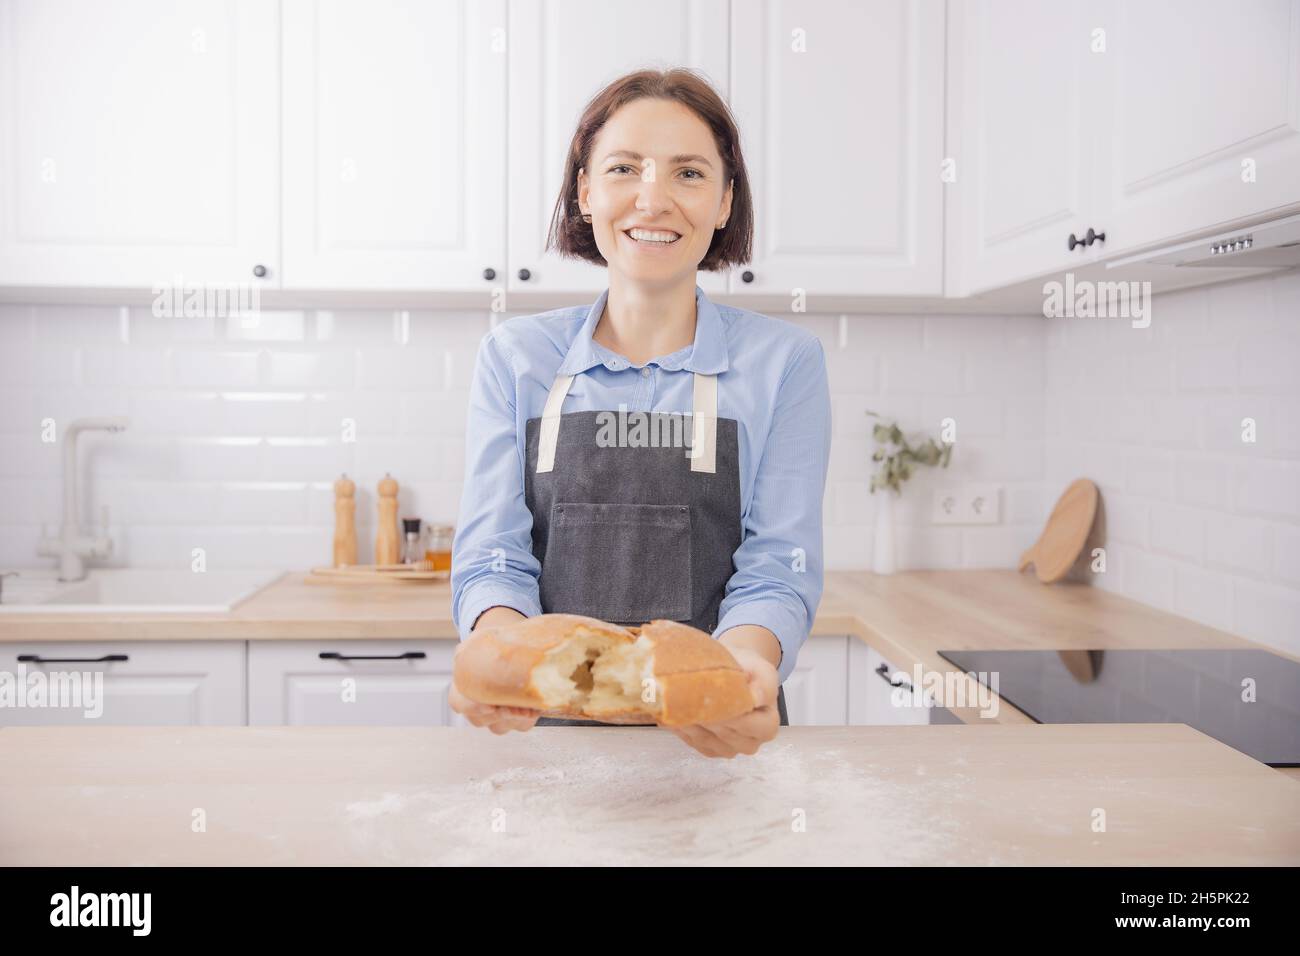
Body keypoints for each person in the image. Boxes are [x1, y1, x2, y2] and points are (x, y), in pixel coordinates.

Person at [449, 68, 830, 758]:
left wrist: (743, 670)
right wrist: (500, 651)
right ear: (586, 192)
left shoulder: (786, 363)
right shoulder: (514, 358)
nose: (653, 200)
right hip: (541, 736)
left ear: (723, 203)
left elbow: (778, 564)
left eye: (688, 173)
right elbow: (494, 556)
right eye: (625, 168)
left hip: (715, 732)